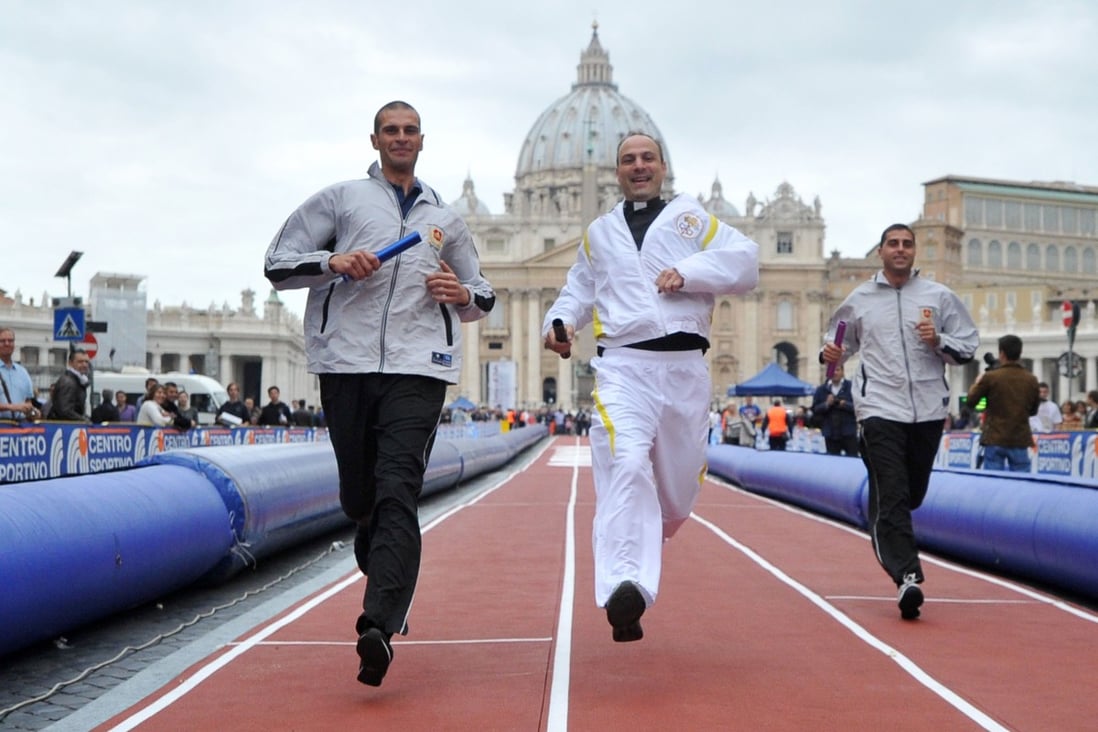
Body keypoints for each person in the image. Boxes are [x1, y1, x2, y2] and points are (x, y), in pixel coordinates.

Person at [263, 100, 495, 686]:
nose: (400, 138)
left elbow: (482, 293)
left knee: (399, 486)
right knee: (360, 495)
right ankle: (383, 560)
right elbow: (278, 264)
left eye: (409, 131)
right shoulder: (340, 199)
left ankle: (380, 624)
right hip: (346, 362)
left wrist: (458, 292)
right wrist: (334, 261)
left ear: (422, 141)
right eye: (390, 130)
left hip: (420, 367)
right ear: (374, 139)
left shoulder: (448, 219)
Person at [543, 131, 759, 643]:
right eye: (628, 160)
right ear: (615, 172)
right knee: (627, 462)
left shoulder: (691, 219)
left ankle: (642, 550)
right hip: (623, 366)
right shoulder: (599, 232)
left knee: (678, 496)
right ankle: (627, 587)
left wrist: (687, 271)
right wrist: (560, 321)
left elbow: (746, 262)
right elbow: (577, 289)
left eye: (647, 158)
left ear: (663, 166)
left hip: (685, 369)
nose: (638, 166)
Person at [821, 222, 978, 621]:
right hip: (878, 408)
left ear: (914, 252)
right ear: (881, 251)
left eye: (907, 244)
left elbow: (968, 347)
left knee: (911, 494)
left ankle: (885, 523)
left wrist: (937, 340)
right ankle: (907, 575)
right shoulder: (859, 300)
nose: (901, 249)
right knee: (892, 492)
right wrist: (831, 354)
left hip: (927, 410)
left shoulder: (939, 297)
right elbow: (837, 344)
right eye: (893, 243)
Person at [965, 335, 1038, 472]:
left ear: (1002, 353)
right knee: (1023, 483)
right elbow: (1033, 411)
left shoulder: (991, 377)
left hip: (994, 437)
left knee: (994, 482)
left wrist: (978, 382)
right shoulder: (1031, 379)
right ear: (1020, 353)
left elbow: (970, 401)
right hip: (1020, 438)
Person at [811, 364, 859, 456]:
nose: (834, 373)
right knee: (832, 462)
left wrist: (845, 404)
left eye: (837, 370)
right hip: (830, 433)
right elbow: (815, 409)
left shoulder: (851, 387)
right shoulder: (821, 389)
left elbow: (859, 407)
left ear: (842, 371)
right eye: (832, 370)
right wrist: (826, 404)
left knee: (853, 460)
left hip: (848, 432)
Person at [0, 327, 39, 422]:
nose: (7, 344)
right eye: (2, 341)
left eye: (10, 341)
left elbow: (28, 402)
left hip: (19, 429)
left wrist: (33, 412)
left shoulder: (22, 372)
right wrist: (13, 407)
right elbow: (18, 407)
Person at [47, 349, 91, 422]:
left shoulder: (78, 380)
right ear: (70, 363)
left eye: (86, 362)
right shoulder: (68, 382)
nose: (84, 365)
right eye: (80, 362)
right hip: (64, 428)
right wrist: (84, 420)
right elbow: (64, 410)